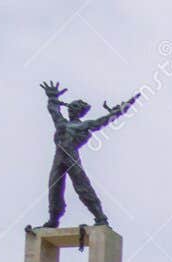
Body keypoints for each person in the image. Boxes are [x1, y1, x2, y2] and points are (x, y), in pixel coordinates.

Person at [38, 80, 140, 228]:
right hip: (59, 157)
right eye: (71, 107)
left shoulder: (84, 125)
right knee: (54, 188)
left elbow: (104, 120)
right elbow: (54, 111)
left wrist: (120, 110)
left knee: (82, 186)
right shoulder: (62, 123)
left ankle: (100, 217)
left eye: (74, 107)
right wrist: (52, 97)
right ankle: (54, 219)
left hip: (71, 156)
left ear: (80, 111)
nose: (70, 109)